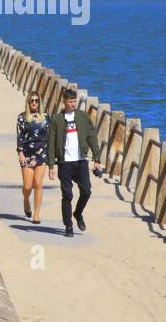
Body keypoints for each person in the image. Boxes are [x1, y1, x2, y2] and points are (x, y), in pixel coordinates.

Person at [46, 88, 102, 237]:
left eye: (74, 101)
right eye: (70, 101)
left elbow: (92, 137)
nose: (72, 104)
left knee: (86, 191)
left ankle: (78, 213)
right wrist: (51, 165)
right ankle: (68, 226)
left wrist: (97, 158)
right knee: (67, 195)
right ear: (64, 102)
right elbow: (51, 143)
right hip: (64, 163)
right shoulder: (56, 119)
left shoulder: (83, 117)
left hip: (81, 161)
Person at [16, 91, 48, 224]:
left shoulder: (46, 117)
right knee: (28, 186)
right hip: (27, 155)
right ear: (28, 103)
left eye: (36, 100)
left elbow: (50, 136)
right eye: (31, 101)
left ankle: (37, 214)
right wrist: (20, 153)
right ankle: (25, 200)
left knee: (38, 184)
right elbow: (19, 136)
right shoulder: (22, 117)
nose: (34, 103)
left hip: (42, 154)